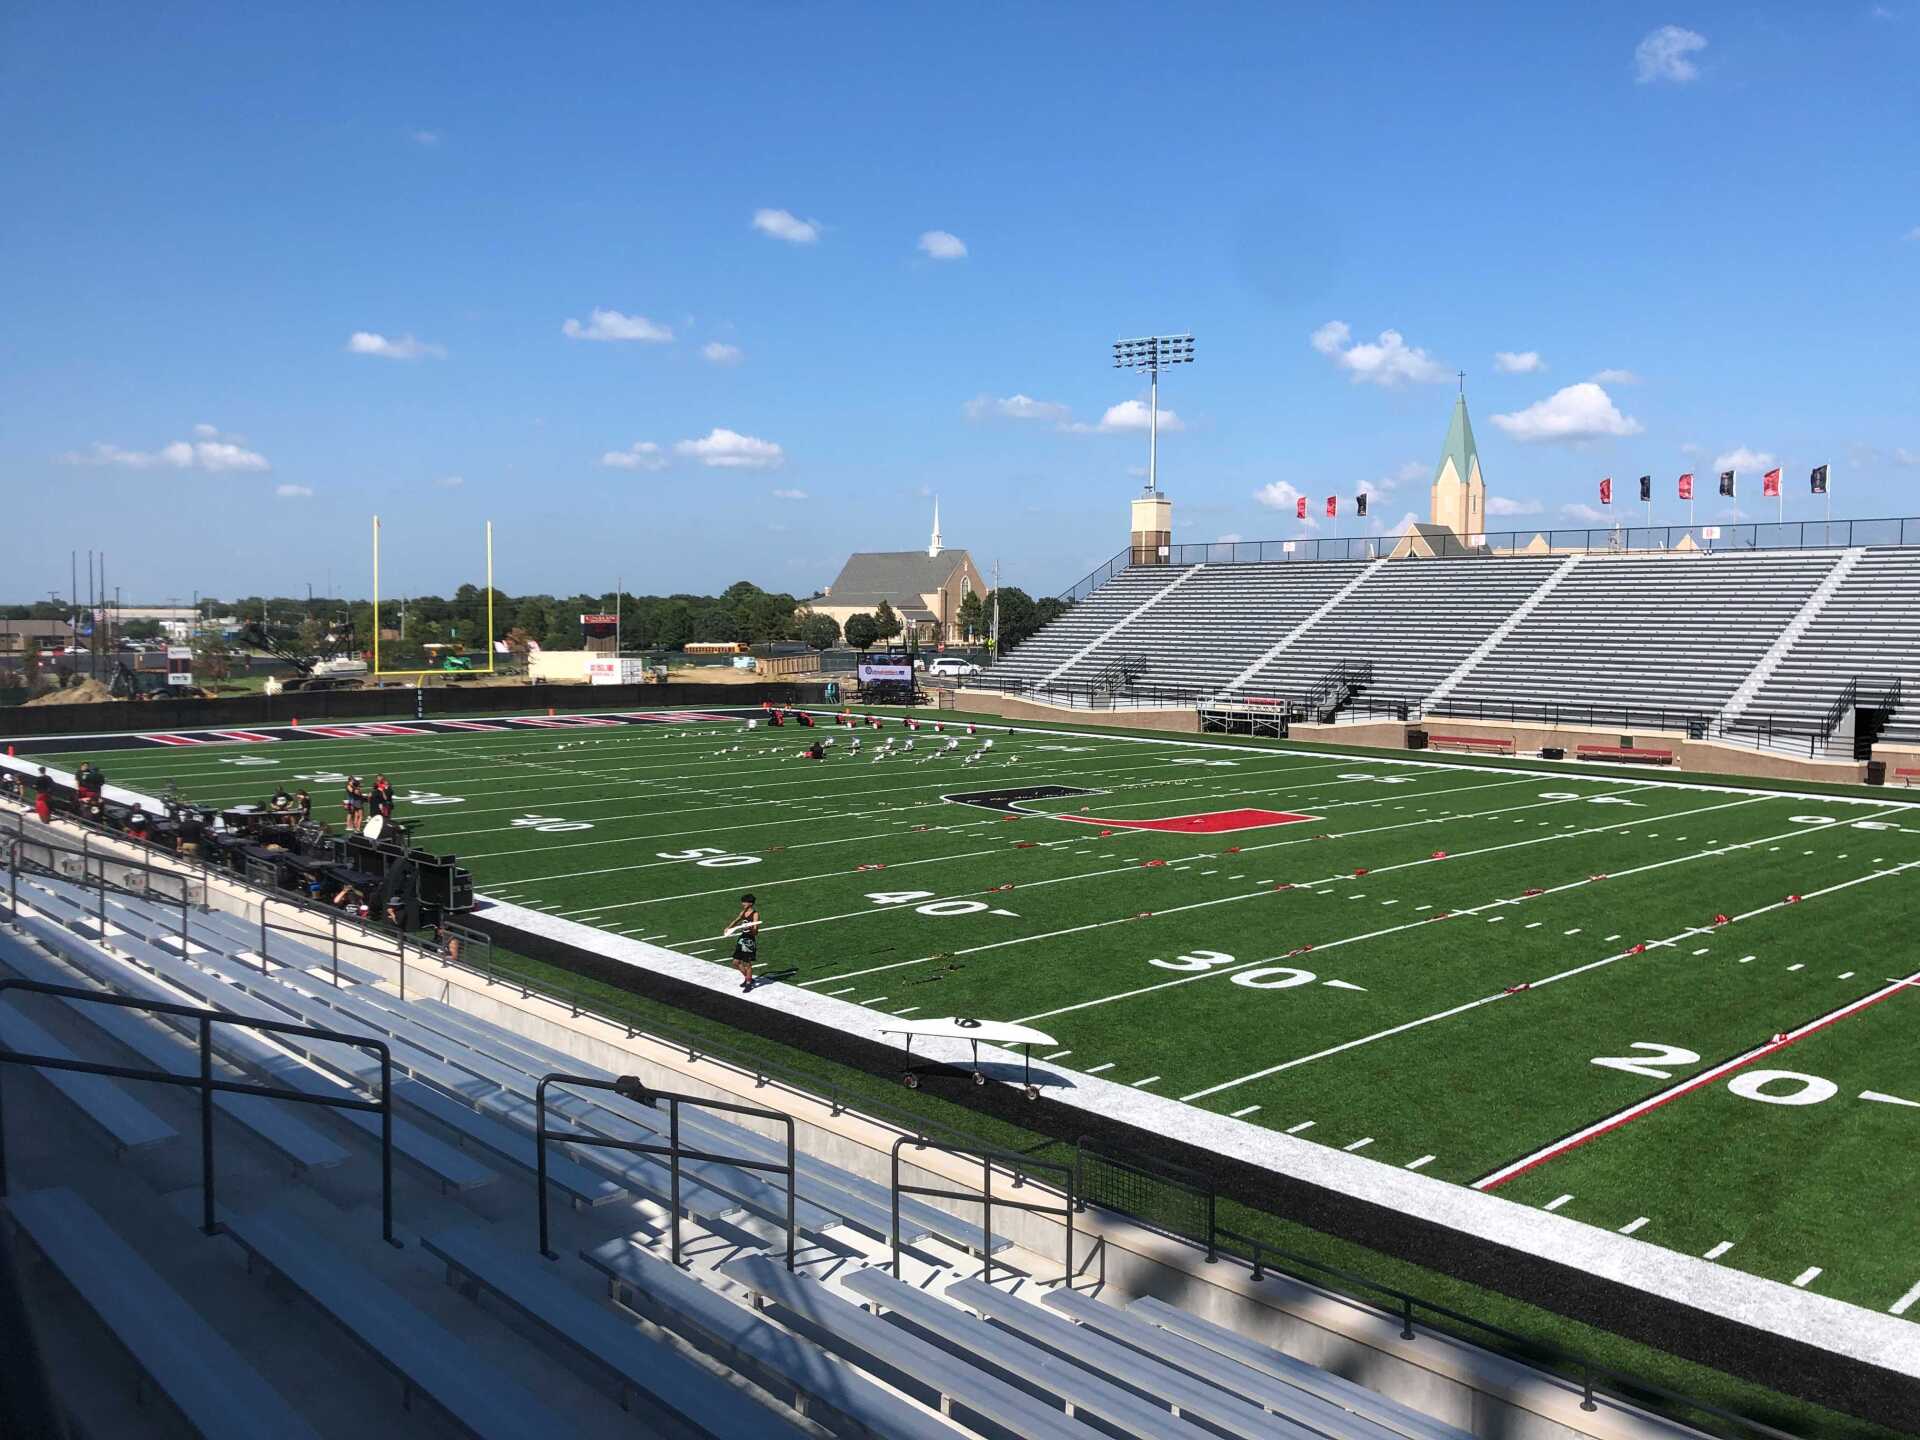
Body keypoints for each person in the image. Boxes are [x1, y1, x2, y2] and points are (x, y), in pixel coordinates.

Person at [726, 893, 760, 991]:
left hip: (749, 941)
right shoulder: (743, 912)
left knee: (747, 963)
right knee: (735, 962)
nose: (742, 904)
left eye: (744, 902)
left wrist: (750, 928)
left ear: (750, 903)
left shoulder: (755, 914)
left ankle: (748, 983)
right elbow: (736, 920)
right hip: (742, 939)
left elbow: (755, 932)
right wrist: (728, 927)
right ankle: (748, 978)